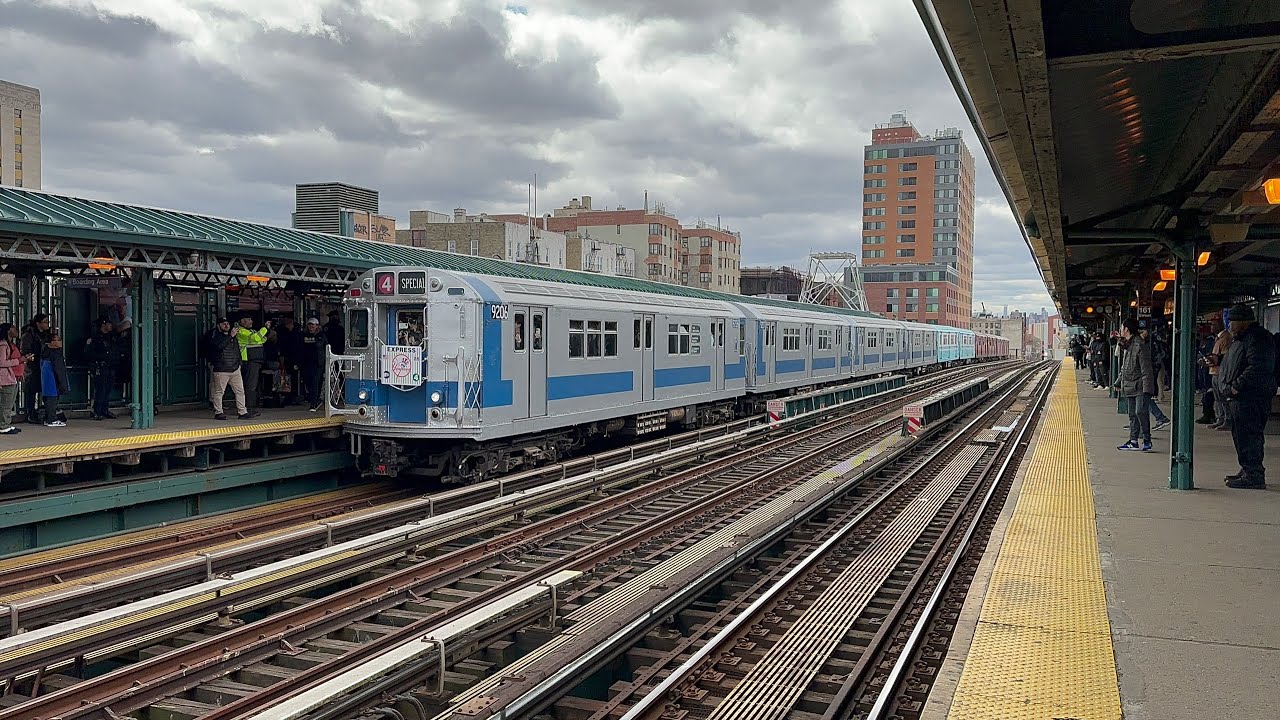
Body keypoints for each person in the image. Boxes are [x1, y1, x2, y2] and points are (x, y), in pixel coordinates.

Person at [1217, 303, 1276, 489]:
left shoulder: (1258, 339)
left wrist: (1236, 386)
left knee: (1250, 435)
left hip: (1251, 397)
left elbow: (1258, 367)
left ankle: (1254, 474)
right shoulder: (1244, 338)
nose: (1230, 326)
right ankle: (1248, 469)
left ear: (1244, 321)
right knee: (1241, 435)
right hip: (1242, 398)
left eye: (1233, 322)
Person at [1116, 318, 1155, 452]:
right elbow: (1125, 367)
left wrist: (1147, 388)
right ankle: (1133, 441)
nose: (1120, 330)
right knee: (1132, 414)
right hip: (1129, 384)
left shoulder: (1139, 345)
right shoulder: (1128, 345)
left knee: (1140, 412)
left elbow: (1146, 368)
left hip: (1140, 385)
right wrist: (1118, 381)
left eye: (1122, 328)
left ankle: (1147, 440)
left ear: (1126, 329)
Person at [207, 317, 258, 421]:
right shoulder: (215, 336)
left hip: (235, 368)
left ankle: (242, 412)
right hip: (221, 369)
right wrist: (230, 336)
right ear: (218, 325)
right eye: (223, 324)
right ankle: (218, 412)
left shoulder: (233, 337)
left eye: (227, 323)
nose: (226, 325)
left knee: (240, 391)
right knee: (219, 392)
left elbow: (237, 350)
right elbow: (219, 347)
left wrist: (239, 363)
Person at [84, 318, 123, 420]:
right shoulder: (95, 338)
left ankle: (104, 409)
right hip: (100, 366)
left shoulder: (112, 337)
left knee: (108, 389)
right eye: (109, 324)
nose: (111, 326)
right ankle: (97, 411)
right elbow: (89, 353)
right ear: (103, 324)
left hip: (111, 366)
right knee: (100, 389)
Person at [18, 314, 51, 424]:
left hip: (44, 365)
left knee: (45, 389)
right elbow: (25, 350)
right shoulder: (28, 335)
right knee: (31, 391)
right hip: (33, 367)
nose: (47, 324)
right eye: (45, 322)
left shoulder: (46, 335)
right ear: (38, 323)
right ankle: (30, 413)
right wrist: (33, 357)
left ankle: (45, 411)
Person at [235, 317, 270, 410]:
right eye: (249, 319)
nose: (252, 321)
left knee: (253, 386)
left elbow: (262, 339)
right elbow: (256, 338)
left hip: (255, 360)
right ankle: (249, 408)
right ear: (243, 321)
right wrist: (265, 328)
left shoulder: (251, 331)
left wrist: (263, 333)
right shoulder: (241, 331)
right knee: (250, 386)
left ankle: (251, 407)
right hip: (248, 360)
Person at [0, 323, 28, 434]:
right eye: (13, 328)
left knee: (8, 403)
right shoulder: (3, 344)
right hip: (4, 378)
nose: (16, 330)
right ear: (8, 331)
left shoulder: (9, 344)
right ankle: (3, 425)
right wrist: (19, 361)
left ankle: (6, 423)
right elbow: (2, 362)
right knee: (6, 403)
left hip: (9, 377)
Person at [1208, 313, 1234, 431]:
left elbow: (1225, 357)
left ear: (1219, 325)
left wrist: (1214, 360)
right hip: (1214, 371)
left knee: (1223, 397)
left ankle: (1227, 420)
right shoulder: (1218, 338)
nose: (1211, 327)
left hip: (1221, 372)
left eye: (1214, 325)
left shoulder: (1226, 338)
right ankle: (1220, 418)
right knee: (1217, 398)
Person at [39, 332, 69, 428]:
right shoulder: (55, 353)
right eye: (58, 340)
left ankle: (49, 418)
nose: (60, 342)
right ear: (51, 342)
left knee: (49, 399)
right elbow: (59, 369)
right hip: (53, 379)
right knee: (52, 399)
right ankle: (51, 419)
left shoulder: (45, 352)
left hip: (48, 379)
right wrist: (62, 383)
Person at [300, 318, 328, 412]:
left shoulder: (321, 336)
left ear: (317, 326)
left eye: (313, 325)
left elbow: (324, 348)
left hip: (317, 363)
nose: (311, 327)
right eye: (309, 324)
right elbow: (300, 347)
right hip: (306, 362)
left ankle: (313, 403)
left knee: (315, 383)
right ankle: (313, 398)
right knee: (307, 381)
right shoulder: (304, 335)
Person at [277, 317, 303, 406]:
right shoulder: (286, 333)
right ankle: (291, 396)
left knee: (294, 379)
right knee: (289, 378)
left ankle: (293, 397)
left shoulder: (296, 334)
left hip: (294, 359)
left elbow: (298, 347)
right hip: (289, 359)